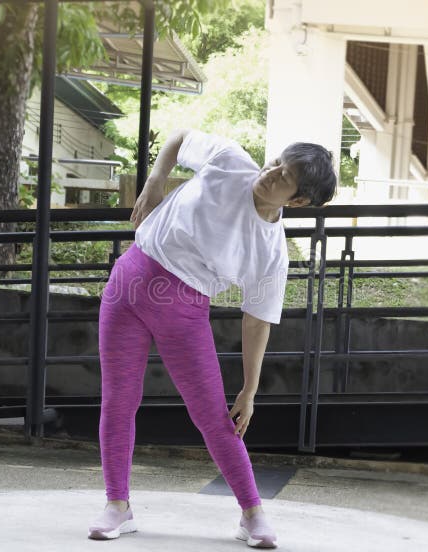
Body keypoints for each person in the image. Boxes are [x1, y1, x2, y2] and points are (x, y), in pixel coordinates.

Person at [88, 129, 337, 548]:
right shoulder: (232, 161)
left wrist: (250, 389)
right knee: (118, 400)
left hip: (183, 314)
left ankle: (253, 513)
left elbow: (257, 320)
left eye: (284, 177)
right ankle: (117, 504)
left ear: (297, 201)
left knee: (214, 417)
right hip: (125, 288)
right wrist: (155, 181)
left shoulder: (271, 251)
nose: (271, 173)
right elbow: (179, 137)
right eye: (276, 161)